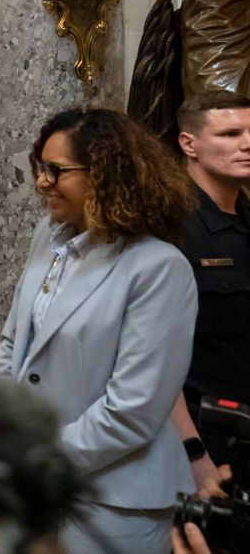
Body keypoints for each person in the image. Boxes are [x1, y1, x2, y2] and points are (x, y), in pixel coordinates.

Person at [0, 108, 199, 554]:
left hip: (110, 501)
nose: (41, 182)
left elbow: (133, 410)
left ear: (106, 174)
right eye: (39, 167)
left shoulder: (158, 268)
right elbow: (15, 343)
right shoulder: (49, 236)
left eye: (56, 171)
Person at [169, 91, 250, 497]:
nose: (248, 143)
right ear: (189, 144)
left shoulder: (245, 217)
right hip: (206, 448)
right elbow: (156, 365)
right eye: (231, 133)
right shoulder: (173, 229)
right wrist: (194, 457)